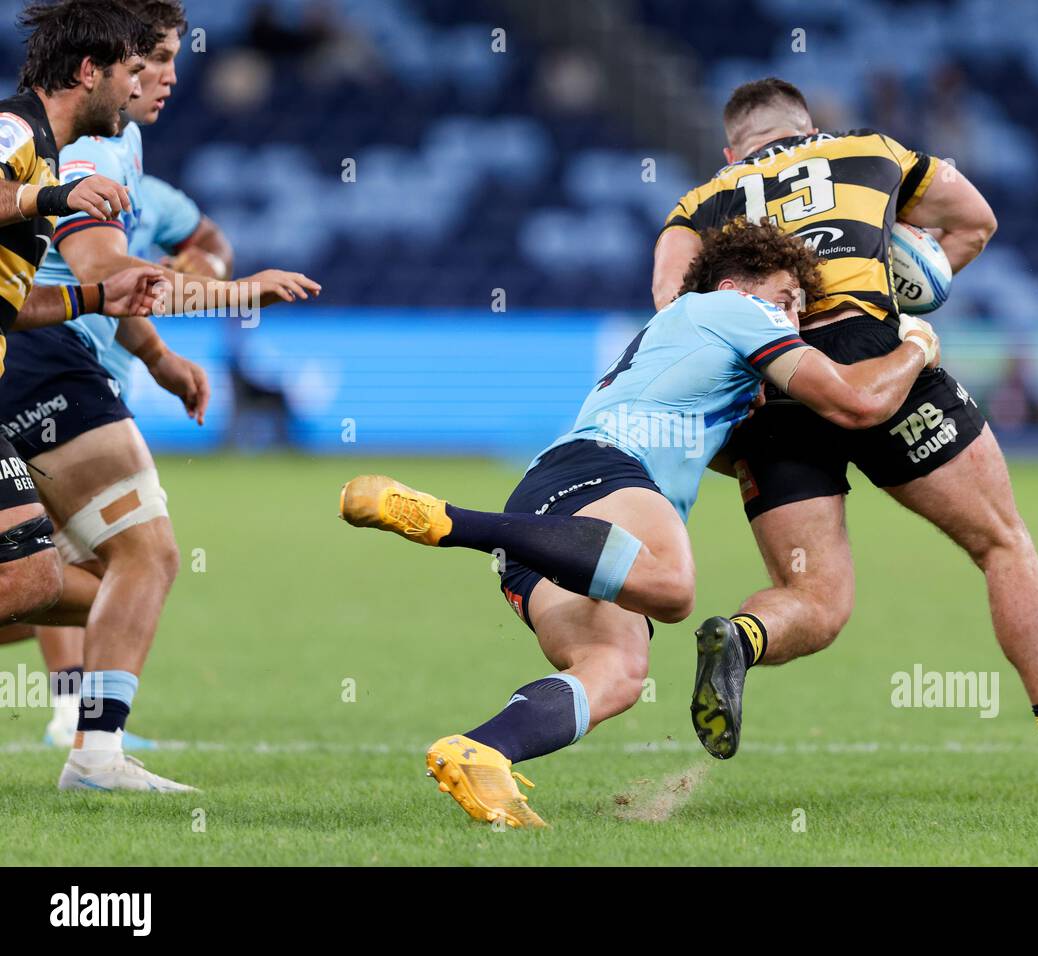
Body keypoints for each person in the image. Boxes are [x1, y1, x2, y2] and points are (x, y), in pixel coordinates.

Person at [652, 76, 1038, 800]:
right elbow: (975, 222)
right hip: (880, 356)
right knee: (1001, 543)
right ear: (809, 123)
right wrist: (920, 278)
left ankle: (741, 637)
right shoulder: (871, 150)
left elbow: (673, 311)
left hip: (775, 387)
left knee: (815, 595)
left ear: (730, 146)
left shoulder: (696, 203)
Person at [340, 219, 941, 827]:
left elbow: (714, 441)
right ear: (737, 286)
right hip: (604, 472)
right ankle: (453, 522)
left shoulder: (689, 336)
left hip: (556, 517)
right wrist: (916, 344)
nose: (793, 319)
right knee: (673, 589)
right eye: (787, 301)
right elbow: (857, 400)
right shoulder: (733, 309)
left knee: (618, 671)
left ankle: (481, 751)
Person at [0, 0, 321, 792]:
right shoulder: (41, 146)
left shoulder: (103, 151)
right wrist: (233, 292)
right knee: (143, 552)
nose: (168, 77)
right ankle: (94, 750)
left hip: (33, 349)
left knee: (43, 579)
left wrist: (149, 341)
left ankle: (87, 734)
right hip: (49, 368)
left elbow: (87, 290)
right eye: (150, 61)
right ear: (101, 68)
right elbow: (108, 271)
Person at [0, 0, 166, 633]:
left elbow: (11, 309)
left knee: (36, 578)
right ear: (90, 70)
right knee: (38, 577)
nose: (135, 85)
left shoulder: (43, 156)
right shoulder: (16, 131)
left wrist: (98, 299)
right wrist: (56, 196)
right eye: (129, 69)